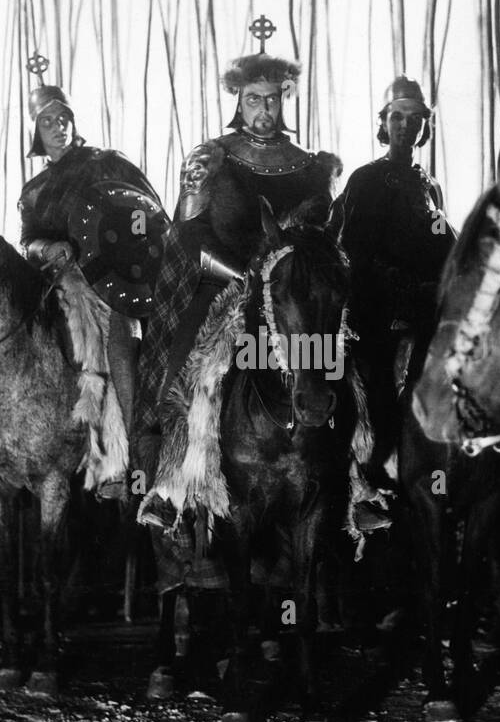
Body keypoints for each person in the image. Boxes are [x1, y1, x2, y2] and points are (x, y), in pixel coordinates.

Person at [135, 51, 345, 532]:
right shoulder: (211, 158)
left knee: (342, 365)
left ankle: (356, 482)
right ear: (239, 100)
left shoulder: (312, 167)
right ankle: (174, 485)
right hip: (224, 288)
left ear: (284, 101)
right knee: (188, 372)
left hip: (291, 295)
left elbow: (318, 242)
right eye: (254, 100)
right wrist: (246, 279)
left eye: (272, 100)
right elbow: (188, 236)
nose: (264, 111)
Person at [18, 82, 167, 497]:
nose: (58, 126)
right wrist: (50, 246)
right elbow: (27, 241)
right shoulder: (34, 192)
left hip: (116, 281)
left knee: (119, 339)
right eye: (47, 121)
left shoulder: (108, 164)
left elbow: (149, 215)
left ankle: (131, 453)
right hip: (57, 282)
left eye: (63, 117)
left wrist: (124, 253)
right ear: (36, 131)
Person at [329, 76, 451, 500]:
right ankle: (364, 484)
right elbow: (354, 252)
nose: (405, 125)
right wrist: (403, 289)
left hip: (425, 312)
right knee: (371, 397)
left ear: (423, 126)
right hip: (375, 315)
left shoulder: (430, 187)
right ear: (384, 122)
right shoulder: (366, 180)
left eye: (413, 117)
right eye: (396, 116)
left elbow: (442, 241)